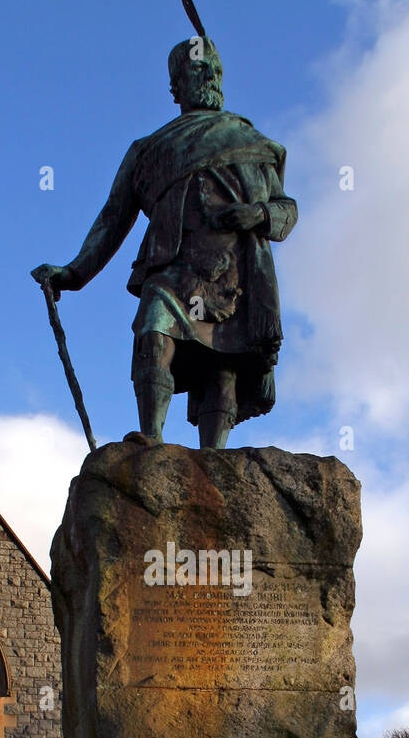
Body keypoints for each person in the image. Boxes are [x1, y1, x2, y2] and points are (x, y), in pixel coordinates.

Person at [33, 35, 297, 449]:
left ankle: (215, 457)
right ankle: (151, 437)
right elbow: (112, 218)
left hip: (231, 271)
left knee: (221, 362)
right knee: (154, 325)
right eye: (198, 68)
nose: (210, 75)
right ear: (176, 86)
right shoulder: (149, 151)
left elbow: (286, 208)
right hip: (173, 267)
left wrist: (259, 214)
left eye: (215, 68)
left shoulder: (250, 143)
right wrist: (73, 272)